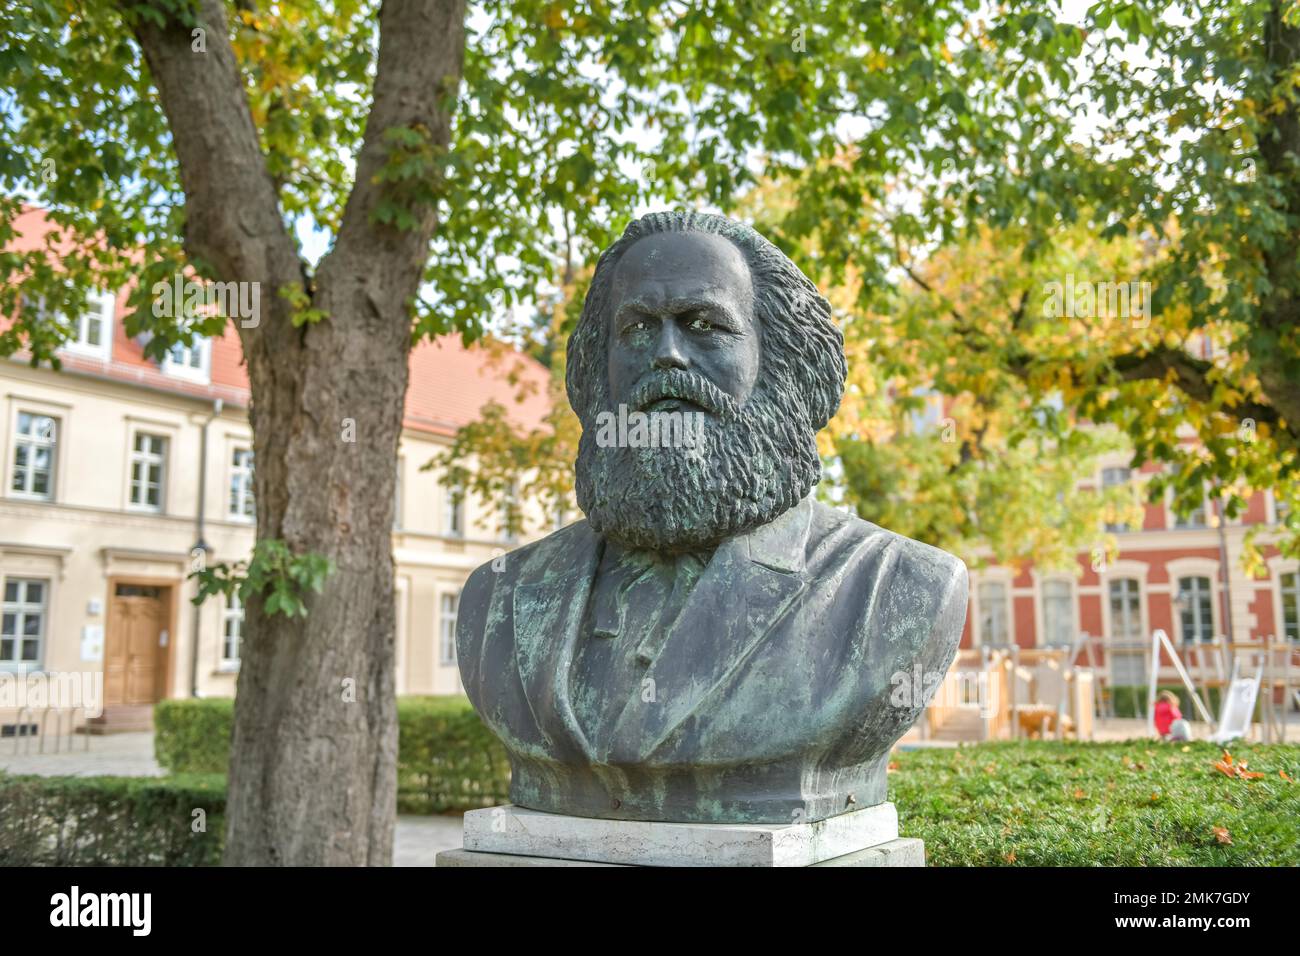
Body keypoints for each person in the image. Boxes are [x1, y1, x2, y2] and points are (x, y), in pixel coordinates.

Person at [454, 211, 968, 824]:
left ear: (778, 362)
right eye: (638, 327)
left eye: (705, 326)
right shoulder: (501, 597)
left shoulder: (898, 587)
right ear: (601, 370)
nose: (668, 355)